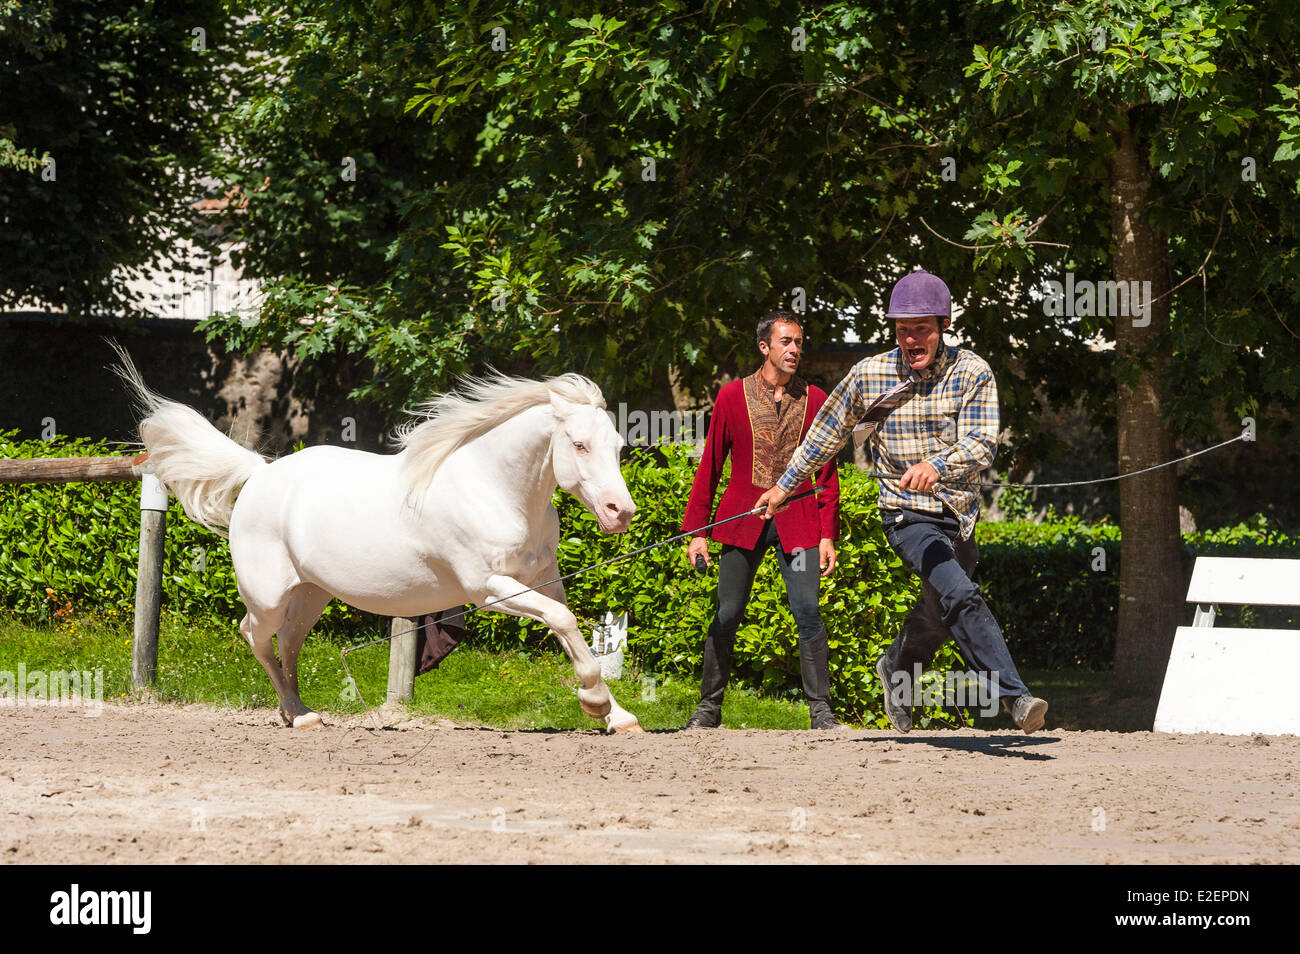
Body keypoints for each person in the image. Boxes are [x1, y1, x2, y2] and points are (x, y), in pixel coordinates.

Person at [756, 270, 1049, 734]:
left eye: (922, 329)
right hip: (905, 514)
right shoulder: (870, 374)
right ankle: (1016, 698)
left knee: (938, 614)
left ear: (944, 325)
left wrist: (939, 464)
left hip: (958, 515)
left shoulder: (972, 371)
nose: (912, 338)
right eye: (903, 330)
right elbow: (826, 436)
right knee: (960, 593)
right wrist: (784, 485)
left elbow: (983, 442)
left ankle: (895, 668)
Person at [680, 309, 845, 730]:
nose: (794, 349)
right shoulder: (732, 397)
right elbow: (710, 467)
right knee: (729, 610)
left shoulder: (817, 400)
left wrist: (828, 535)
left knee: (807, 609)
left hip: (801, 522)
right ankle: (708, 709)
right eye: (786, 341)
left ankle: (821, 713)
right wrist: (696, 533)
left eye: (798, 342)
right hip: (742, 519)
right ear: (764, 346)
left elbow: (826, 474)